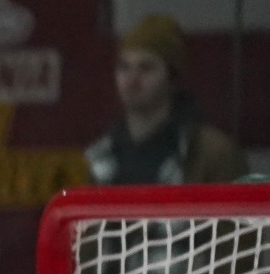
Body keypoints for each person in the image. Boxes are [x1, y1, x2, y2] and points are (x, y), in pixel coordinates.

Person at [85, 14, 248, 186]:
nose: (131, 80)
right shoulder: (103, 155)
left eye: (146, 68)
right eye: (124, 67)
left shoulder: (213, 154)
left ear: (172, 78)